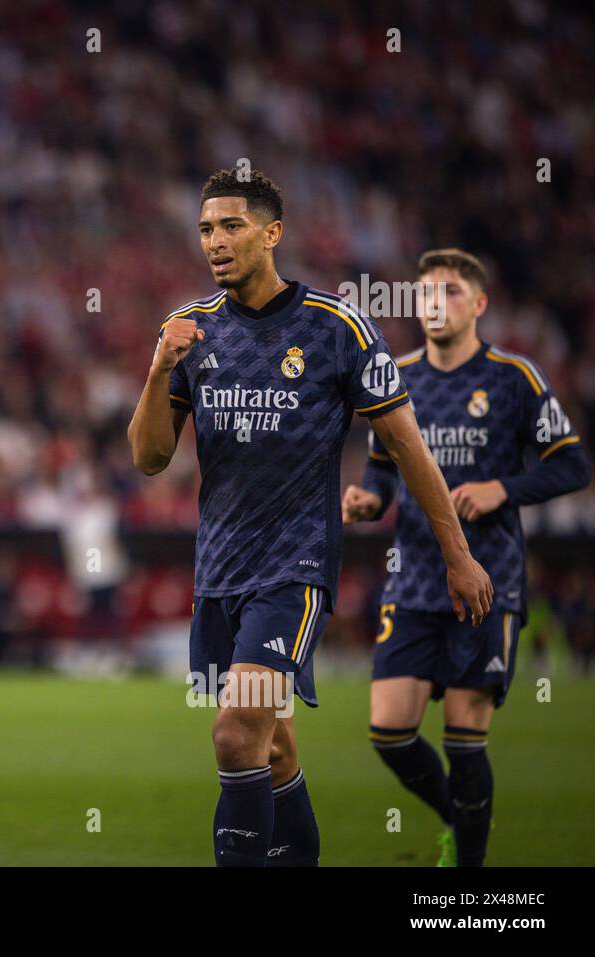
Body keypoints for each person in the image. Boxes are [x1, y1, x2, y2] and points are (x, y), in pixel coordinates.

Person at [127, 169, 493, 867]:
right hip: (219, 572)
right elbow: (149, 457)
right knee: (273, 748)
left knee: (236, 734)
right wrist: (156, 371)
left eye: (232, 226)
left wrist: (458, 554)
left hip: (293, 571)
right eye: (206, 228)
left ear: (273, 233)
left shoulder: (336, 328)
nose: (215, 242)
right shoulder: (190, 331)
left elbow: (408, 445)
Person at [343, 248, 590, 866]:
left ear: (479, 304)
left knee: (463, 737)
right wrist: (368, 500)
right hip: (414, 580)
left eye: (449, 292)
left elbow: (572, 465)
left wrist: (503, 487)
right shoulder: (391, 376)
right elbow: (381, 470)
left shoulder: (515, 378)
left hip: (488, 580)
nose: (434, 303)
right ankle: (462, 817)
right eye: (425, 293)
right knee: (389, 730)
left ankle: (468, 878)